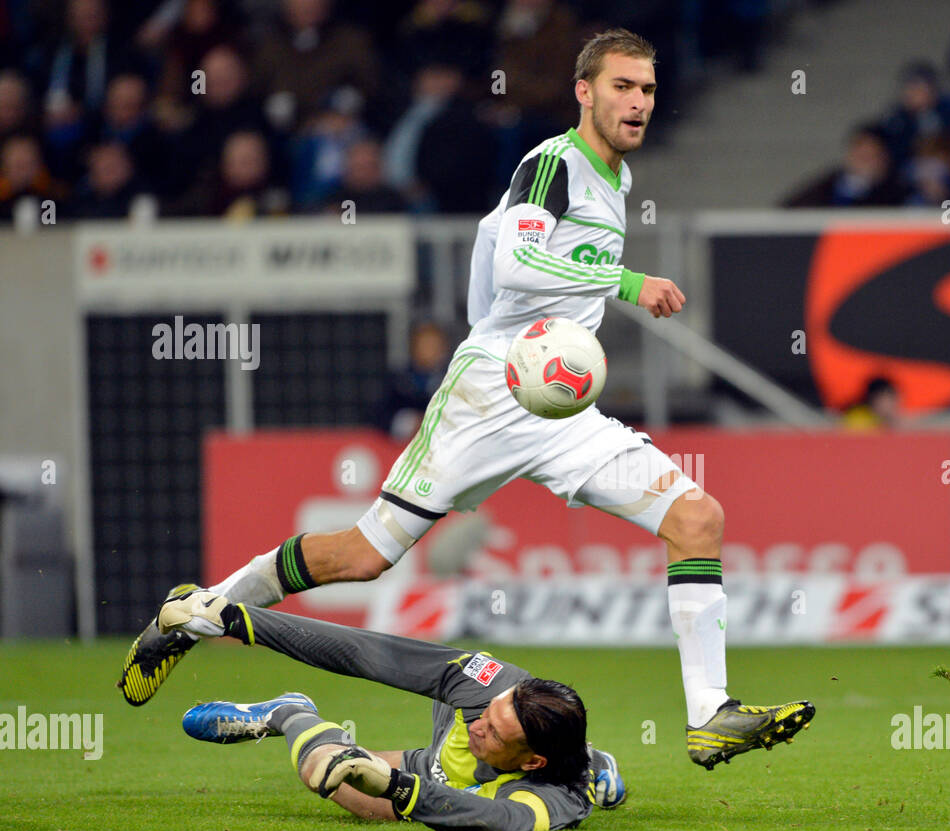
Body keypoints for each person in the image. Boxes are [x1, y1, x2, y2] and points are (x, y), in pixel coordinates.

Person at [120, 27, 815, 771]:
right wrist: (624, 283)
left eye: (647, 89)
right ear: (585, 91)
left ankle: (709, 712)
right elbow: (516, 262)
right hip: (491, 391)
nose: (637, 102)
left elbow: (502, 255)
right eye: (622, 86)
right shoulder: (553, 164)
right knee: (361, 556)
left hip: (560, 407)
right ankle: (191, 614)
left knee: (696, 515)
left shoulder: (616, 183)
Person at [159, 587, 626, 831]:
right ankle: (292, 712)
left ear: (532, 763)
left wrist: (397, 786)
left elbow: (500, 822)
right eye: (489, 713)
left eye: (494, 731)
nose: (479, 723)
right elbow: (369, 653)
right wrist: (238, 620)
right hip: (444, 766)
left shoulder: (554, 799)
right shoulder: (486, 687)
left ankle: (287, 714)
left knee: (356, 789)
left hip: (451, 778)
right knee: (338, 779)